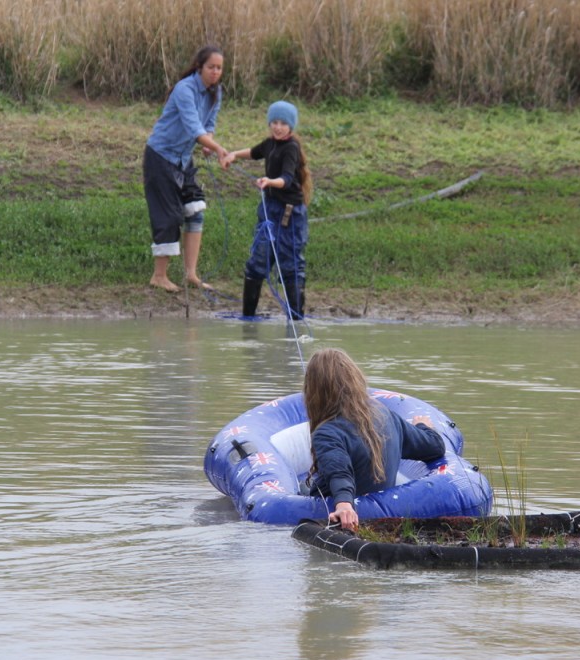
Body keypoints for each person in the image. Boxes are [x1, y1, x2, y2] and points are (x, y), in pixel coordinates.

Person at [302, 348, 445, 532]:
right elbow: (434, 446)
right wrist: (424, 426)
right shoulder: (385, 415)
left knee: (302, 487)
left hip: (338, 508)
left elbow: (339, 472)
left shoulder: (327, 432)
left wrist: (344, 505)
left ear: (313, 391)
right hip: (380, 507)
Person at [143, 46, 231, 293]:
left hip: (182, 159)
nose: (215, 72)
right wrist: (217, 148)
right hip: (160, 157)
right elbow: (194, 127)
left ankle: (191, 274)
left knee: (196, 211)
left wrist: (208, 143)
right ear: (199, 67)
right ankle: (158, 276)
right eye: (211, 67)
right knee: (169, 216)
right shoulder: (185, 89)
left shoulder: (217, 91)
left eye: (219, 68)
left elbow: (207, 125)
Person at [221, 100, 312, 319]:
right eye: (274, 122)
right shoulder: (270, 144)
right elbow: (254, 152)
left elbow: (287, 179)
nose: (278, 127)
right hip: (269, 210)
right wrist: (233, 155)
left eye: (283, 123)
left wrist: (270, 182)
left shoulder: (291, 148)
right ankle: (248, 317)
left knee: (290, 265)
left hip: (290, 214)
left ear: (291, 126)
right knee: (258, 261)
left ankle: (296, 321)